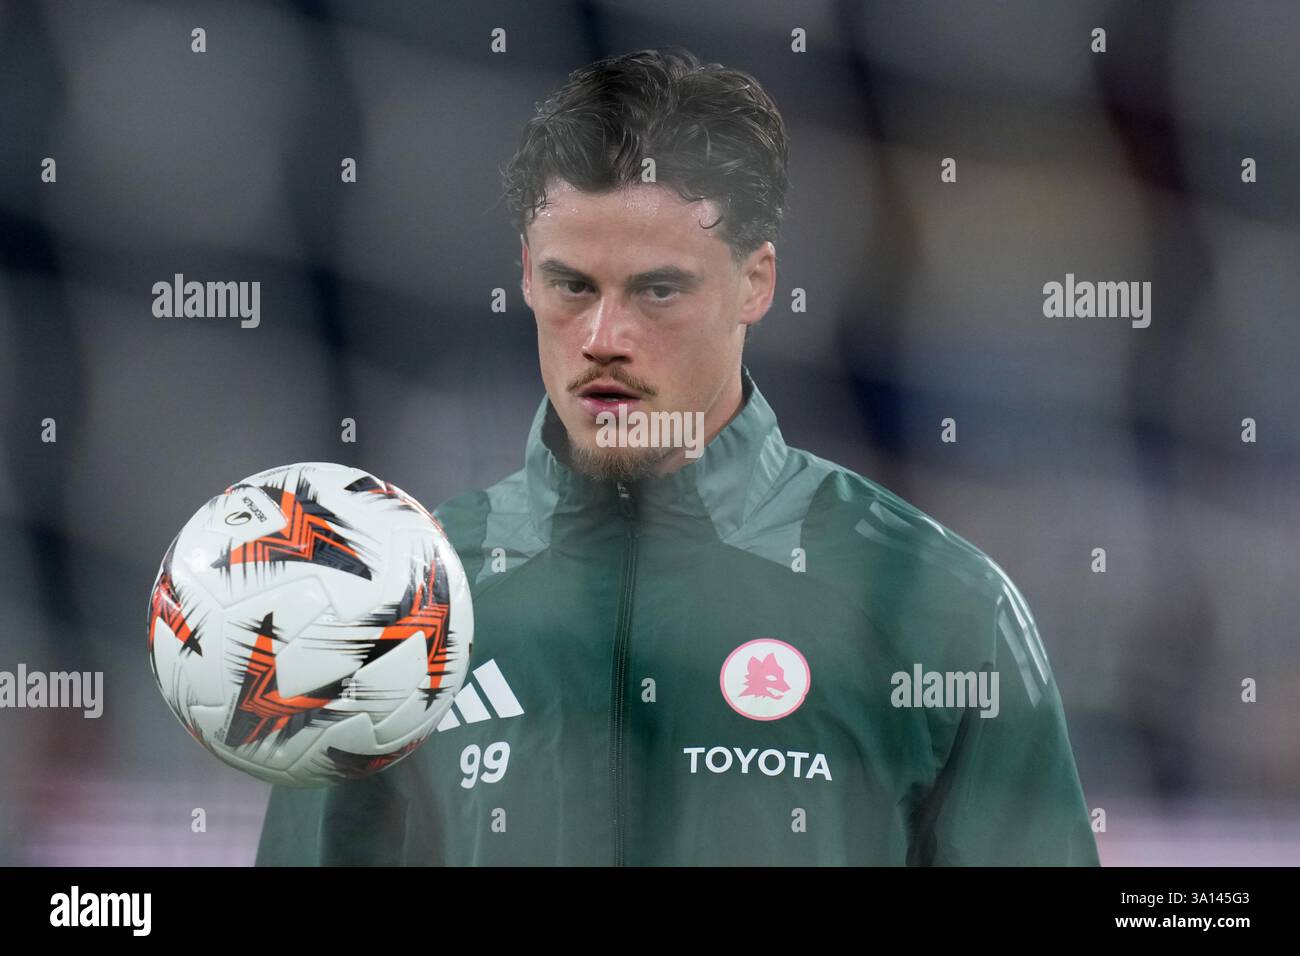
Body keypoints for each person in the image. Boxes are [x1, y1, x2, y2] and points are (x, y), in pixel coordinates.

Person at [256, 47, 1098, 866]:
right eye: (571, 286)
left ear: (756, 284)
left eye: (659, 290)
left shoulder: (937, 607)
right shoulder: (395, 610)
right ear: (523, 276)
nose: (604, 339)